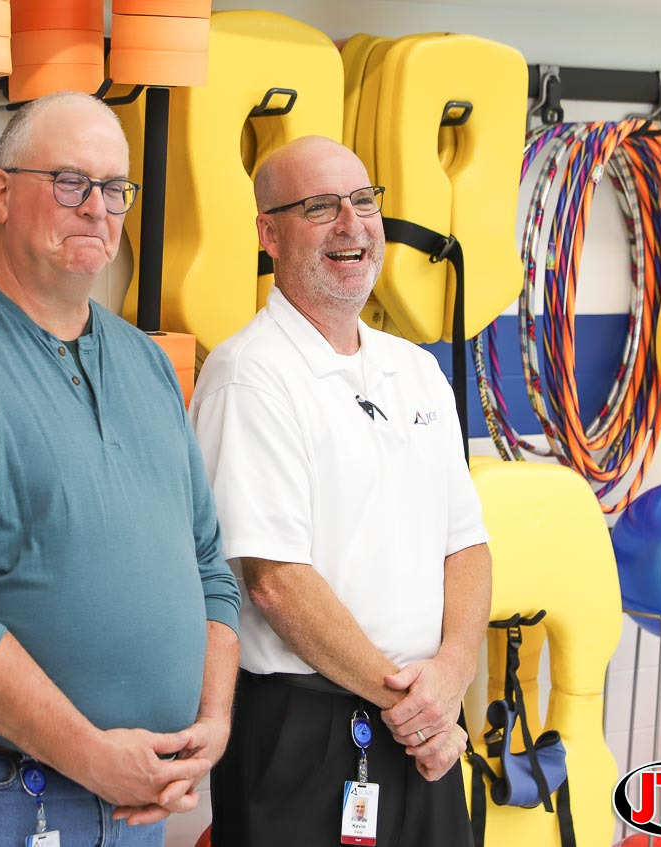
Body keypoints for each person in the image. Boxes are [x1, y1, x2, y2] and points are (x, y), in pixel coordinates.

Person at [0, 90, 241, 847]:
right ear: (0, 194)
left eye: (115, 188)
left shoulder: (147, 364)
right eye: (70, 182)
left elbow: (207, 566)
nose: (97, 207)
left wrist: (213, 721)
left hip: (133, 801)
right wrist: (88, 753)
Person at [190, 135, 492, 847]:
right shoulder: (249, 375)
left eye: (363, 201)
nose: (351, 225)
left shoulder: (415, 371)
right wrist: (412, 702)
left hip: (424, 728)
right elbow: (273, 581)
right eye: (319, 207)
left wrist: (450, 675)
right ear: (268, 233)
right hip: (305, 730)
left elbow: (467, 544)